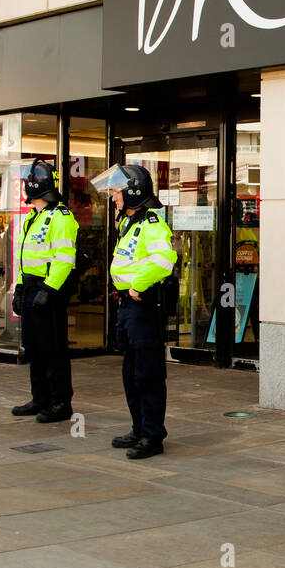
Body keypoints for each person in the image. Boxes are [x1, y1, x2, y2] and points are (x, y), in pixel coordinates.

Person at [93, 163, 175, 459]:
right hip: (127, 306)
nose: (113, 197)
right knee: (131, 371)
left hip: (142, 306)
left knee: (147, 373)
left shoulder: (151, 223)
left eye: (116, 192)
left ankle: (153, 436)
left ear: (132, 192)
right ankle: (139, 428)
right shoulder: (129, 224)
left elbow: (165, 259)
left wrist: (137, 286)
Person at [11, 159, 80, 423]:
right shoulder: (33, 218)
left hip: (48, 291)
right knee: (34, 348)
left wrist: (48, 290)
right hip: (30, 288)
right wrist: (19, 288)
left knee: (53, 349)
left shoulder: (60, 217)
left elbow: (64, 259)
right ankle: (40, 398)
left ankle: (60, 402)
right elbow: (24, 257)